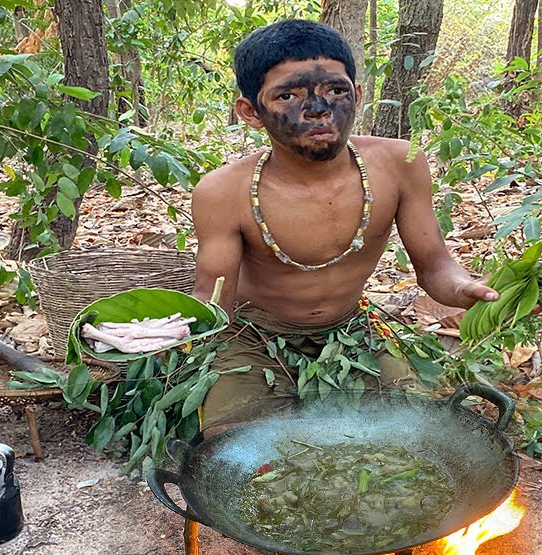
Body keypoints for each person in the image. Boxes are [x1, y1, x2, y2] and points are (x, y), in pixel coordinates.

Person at [191, 19, 498, 435]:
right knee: (234, 447)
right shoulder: (223, 191)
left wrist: (466, 290)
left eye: (335, 91)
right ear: (251, 112)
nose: (318, 109)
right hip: (253, 338)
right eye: (288, 95)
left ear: (357, 94)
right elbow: (213, 303)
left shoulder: (400, 164)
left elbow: (435, 267)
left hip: (352, 331)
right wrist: (165, 334)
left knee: (417, 431)